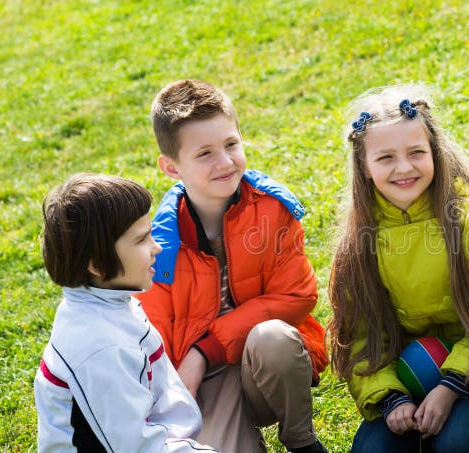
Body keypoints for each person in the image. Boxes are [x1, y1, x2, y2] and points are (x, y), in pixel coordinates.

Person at [327, 85, 469, 453]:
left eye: (416, 152)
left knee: (459, 442)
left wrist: (451, 385)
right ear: (364, 167)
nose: (404, 167)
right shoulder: (358, 241)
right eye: (385, 158)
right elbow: (361, 339)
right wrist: (391, 399)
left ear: (435, 153)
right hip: (404, 378)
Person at [138, 79, 328, 453]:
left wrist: (204, 350)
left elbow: (297, 295)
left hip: (261, 363)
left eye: (231, 144)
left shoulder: (273, 210)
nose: (225, 162)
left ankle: (300, 440)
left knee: (272, 337)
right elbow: (154, 334)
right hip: (202, 382)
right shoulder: (158, 245)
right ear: (171, 167)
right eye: (204, 153)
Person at [34, 173, 216, 452]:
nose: (156, 247)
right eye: (142, 239)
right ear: (96, 265)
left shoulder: (108, 302)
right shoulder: (100, 348)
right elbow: (137, 447)